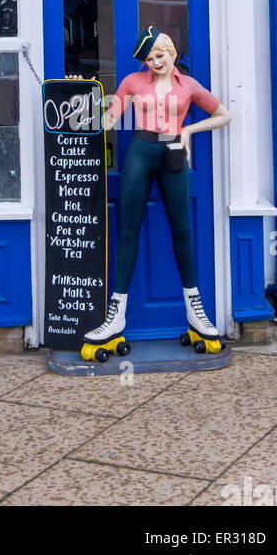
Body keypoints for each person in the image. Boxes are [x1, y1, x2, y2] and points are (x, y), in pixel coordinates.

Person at [82, 24, 232, 356]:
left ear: (172, 50)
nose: (156, 61)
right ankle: (115, 316)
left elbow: (224, 115)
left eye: (160, 54)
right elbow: (109, 119)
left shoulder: (189, 85)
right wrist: (81, 102)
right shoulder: (132, 82)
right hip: (140, 151)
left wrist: (189, 130)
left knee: (182, 231)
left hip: (173, 155)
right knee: (127, 233)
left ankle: (196, 313)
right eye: (149, 58)